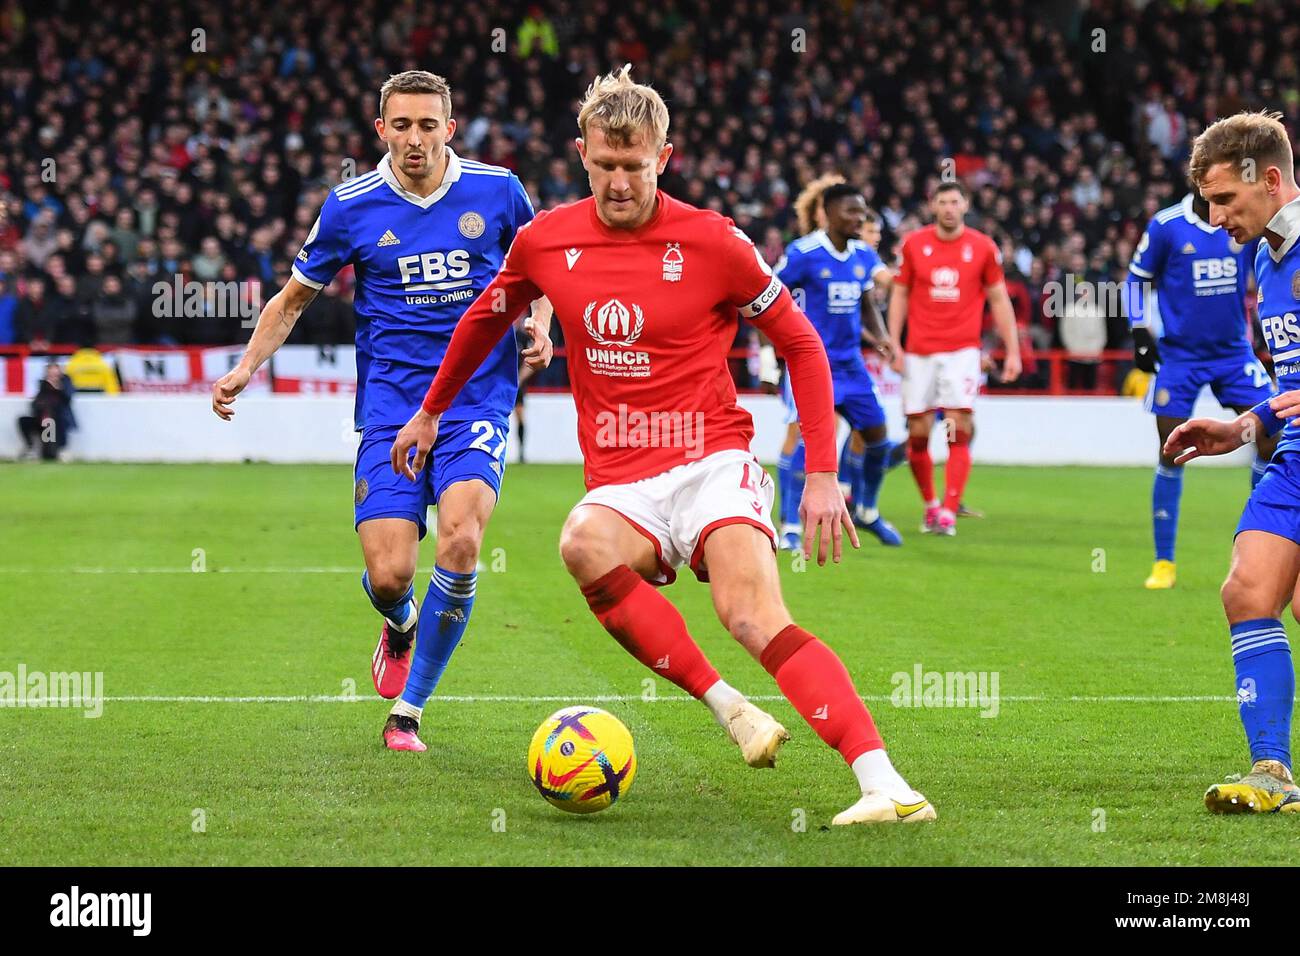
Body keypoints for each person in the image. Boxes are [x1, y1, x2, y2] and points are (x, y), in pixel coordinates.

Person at [392, 66, 935, 825]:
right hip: (622, 480)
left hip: (712, 459)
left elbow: (803, 347)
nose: (619, 183)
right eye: (606, 166)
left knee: (749, 615)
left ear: (664, 157)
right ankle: (731, 710)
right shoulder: (546, 239)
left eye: (635, 167)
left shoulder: (714, 242)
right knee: (581, 541)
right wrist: (428, 413)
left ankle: (885, 784)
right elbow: (484, 319)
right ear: (582, 152)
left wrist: (821, 473)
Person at [211, 70, 553, 752]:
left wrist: (542, 323)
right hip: (392, 406)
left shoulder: (498, 190)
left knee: (460, 538)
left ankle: (409, 710)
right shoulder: (351, 205)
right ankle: (400, 622)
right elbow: (291, 301)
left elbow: (543, 270)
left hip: (474, 399)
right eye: (402, 126)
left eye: (429, 125)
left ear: (450, 129)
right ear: (381, 131)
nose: (415, 139)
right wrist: (245, 368)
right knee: (389, 572)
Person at [1164, 110, 1300, 813]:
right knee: (1247, 591)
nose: (1215, 218)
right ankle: (1272, 772)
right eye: (1208, 201)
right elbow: (1292, 381)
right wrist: (1244, 425)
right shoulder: (1264, 259)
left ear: (1270, 180)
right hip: (1294, 455)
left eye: (1226, 200)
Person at [1127, 187, 1274, 590]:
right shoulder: (1167, 226)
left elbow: (1263, 272)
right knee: (1170, 451)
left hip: (1233, 355)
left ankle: (1259, 550)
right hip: (1179, 358)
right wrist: (1140, 332)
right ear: (1197, 181)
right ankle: (1164, 563)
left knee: (1272, 434)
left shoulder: (1239, 222)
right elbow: (1136, 278)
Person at [887, 182, 1022, 535]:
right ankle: (930, 505)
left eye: (955, 201)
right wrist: (894, 343)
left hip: (962, 351)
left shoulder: (982, 247)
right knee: (917, 432)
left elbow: (999, 300)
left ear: (965, 205)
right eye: (942, 201)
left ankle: (948, 510)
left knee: (957, 427)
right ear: (933, 206)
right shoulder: (914, 244)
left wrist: (1013, 351)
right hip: (919, 351)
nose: (949, 208)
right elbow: (899, 294)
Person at [772, 182, 901, 549]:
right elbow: (767, 294)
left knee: (879, 438)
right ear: (827, 213)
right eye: (850, 211)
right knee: (803, 441)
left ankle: (867, 511)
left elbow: (866, 303)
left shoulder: (862, 255)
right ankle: (790, 526)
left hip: (851, 365)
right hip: (812, 364)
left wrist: (880, 336)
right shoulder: (804, 253)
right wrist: (771, 356)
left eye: (862, 211)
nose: (859, 218)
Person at [17, 362, 75, 461]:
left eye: (55, 374)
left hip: (57, 420)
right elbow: (35, 404)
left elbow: (67, 400)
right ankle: (30, 447)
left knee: (49, 422)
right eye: (50, 373)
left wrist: (57, 388)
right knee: (24, 420)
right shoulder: (43, 385)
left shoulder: (65, 384)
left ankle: (55, 451)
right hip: (42, 418)